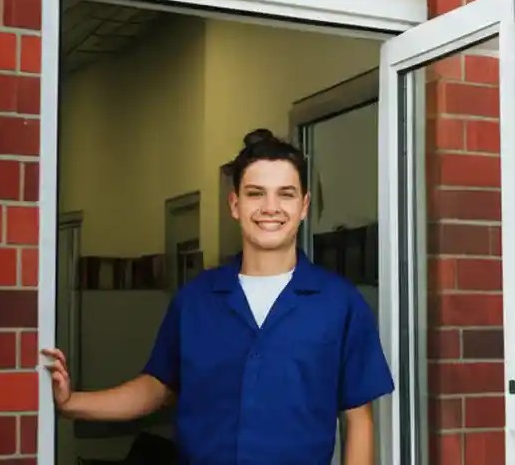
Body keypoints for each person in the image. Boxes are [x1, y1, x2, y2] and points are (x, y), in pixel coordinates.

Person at [42, 129, 394, 464]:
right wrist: (72, 403)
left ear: (303, 206)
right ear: (235, 204)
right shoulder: (195, 301)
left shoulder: (339, 304)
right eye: (256, 193)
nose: (270, 207)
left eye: (285, 194)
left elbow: (358, 420)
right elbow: (157, 387)